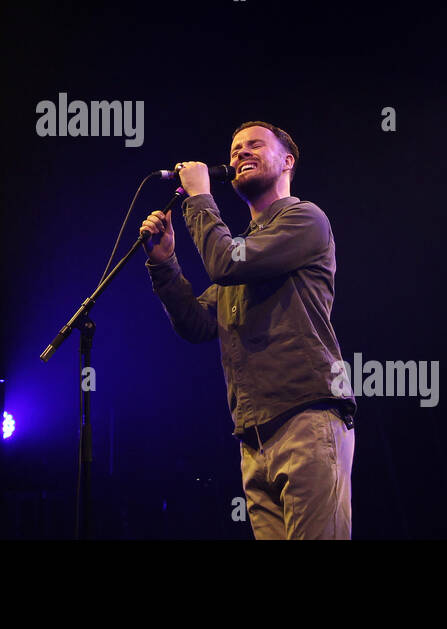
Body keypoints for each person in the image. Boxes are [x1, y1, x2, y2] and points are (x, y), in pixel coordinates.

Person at [139, 121, 356, 539]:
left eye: (254, 145)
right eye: (235, 149)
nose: (240, 154)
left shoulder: (304, 219)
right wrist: (164, 263)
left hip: (307, 417)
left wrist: (200, 196)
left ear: (288, 161)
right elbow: (198, 324)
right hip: (254, 437)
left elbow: (225, 262)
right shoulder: (243, 248)